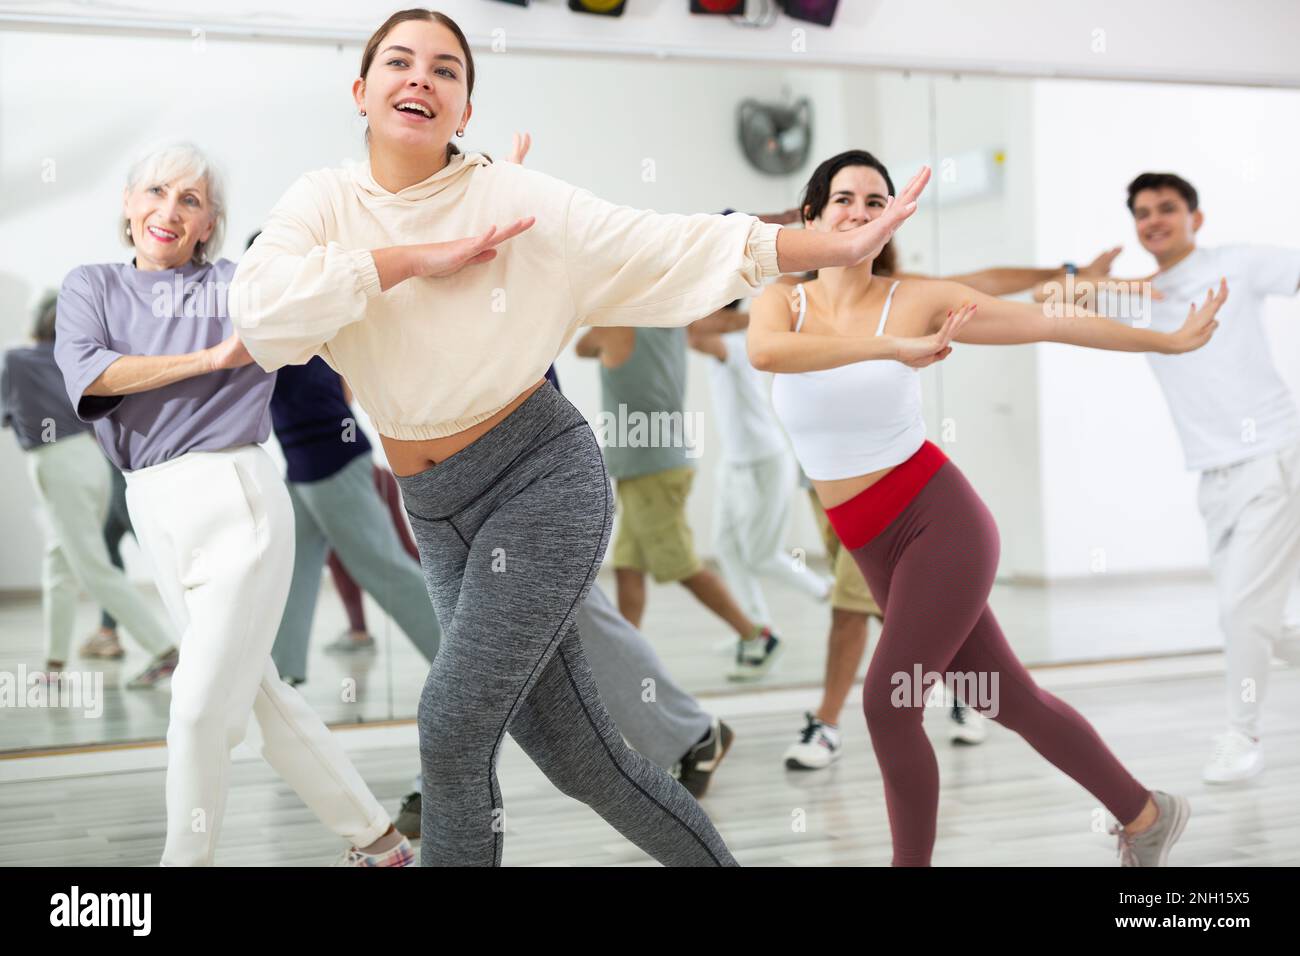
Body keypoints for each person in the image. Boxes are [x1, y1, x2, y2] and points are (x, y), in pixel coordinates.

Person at [229, 9, 929, 866]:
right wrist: (409, 260)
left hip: (538, 480)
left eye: (446, 70)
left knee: (450, 723)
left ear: (464, 108)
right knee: (578, 758)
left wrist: (804, 242)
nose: (421, 79)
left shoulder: (512, 197)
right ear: (361, 90)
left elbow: (652, 241)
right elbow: (263, 315)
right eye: (400, 63)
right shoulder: (322, 201)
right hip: (438, 510)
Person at [751, 148, 1227, 865]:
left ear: (891, 219)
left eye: (876, 201)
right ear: (813, 216)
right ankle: (1146, 814)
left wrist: (1168, 339)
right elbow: (768, 354)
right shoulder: (779, 301)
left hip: (937, 524)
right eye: (843, 199)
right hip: (867, 541)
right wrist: (894, 349)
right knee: (1012, 701)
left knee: (888, 704)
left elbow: (1048, 322)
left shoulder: (913, 298)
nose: (858, 211)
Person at [54, 142, 411, 867]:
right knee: (261, 702)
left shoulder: (239, 284)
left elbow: (347, 278)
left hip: (233, 500)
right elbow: (95, 376)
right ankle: (380, 843)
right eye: (155, 191)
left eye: (190, 200)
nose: (169, 210)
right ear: (128, 204)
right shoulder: (89, 285)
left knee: (194, 710)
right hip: (153, 507)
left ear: (211, 222)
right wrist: (214, 360)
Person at [1047, 171, 1300, 783]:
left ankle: (1242, 738)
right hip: (1212, 479)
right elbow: (1051, 307)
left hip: (1274, 456)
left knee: (1242, 610)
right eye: (1142, 212)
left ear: (1196, 217)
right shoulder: (1138, 294)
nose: (1154, 220)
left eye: (1167, 208)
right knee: (1253, 617)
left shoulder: (1236, 264)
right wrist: (1086, 274)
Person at [575, 321, 785, 681]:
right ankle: (628, 657)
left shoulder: (614, 328)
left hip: (650, 469)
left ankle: (756, 636)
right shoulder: (670, 323)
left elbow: (582, 347)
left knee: (682, 565)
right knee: (629, 567)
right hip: (660, 464)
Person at [2, 292, 178, 688]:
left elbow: (6, 415)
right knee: (60, 561)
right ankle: (54, 664)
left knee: (92, 565)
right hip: (92, 461)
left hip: (57, 462)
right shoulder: (75, 359)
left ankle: (166, 651)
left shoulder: (15, 358)